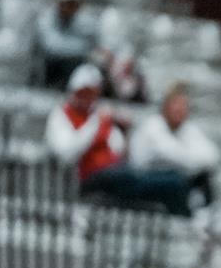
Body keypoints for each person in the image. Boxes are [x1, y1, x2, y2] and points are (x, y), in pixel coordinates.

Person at [45, 65, 192, 216]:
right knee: (145, 181)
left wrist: (123, 131)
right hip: (90, 179)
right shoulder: (63, 116)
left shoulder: (99, 115)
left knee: (173, 178)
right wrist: (95, 124)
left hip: (116, 173)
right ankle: (185, 218)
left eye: (92, 94)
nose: (87, 99)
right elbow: (66, 154)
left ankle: (185, 213)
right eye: (83, 93)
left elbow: (119, 150)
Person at [127, 83, 218, 212]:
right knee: (177, 182)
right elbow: (176, 156)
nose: (180, 110)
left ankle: (206, 215)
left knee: (203, 177)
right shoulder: (153, 126)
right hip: (142, 178)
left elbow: (211, 157)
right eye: (176, 105)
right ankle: (185, 218)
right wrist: (191, 159)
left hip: (168, 177)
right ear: (165, 107)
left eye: (183, 106)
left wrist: (191, 160)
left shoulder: (187, 129)